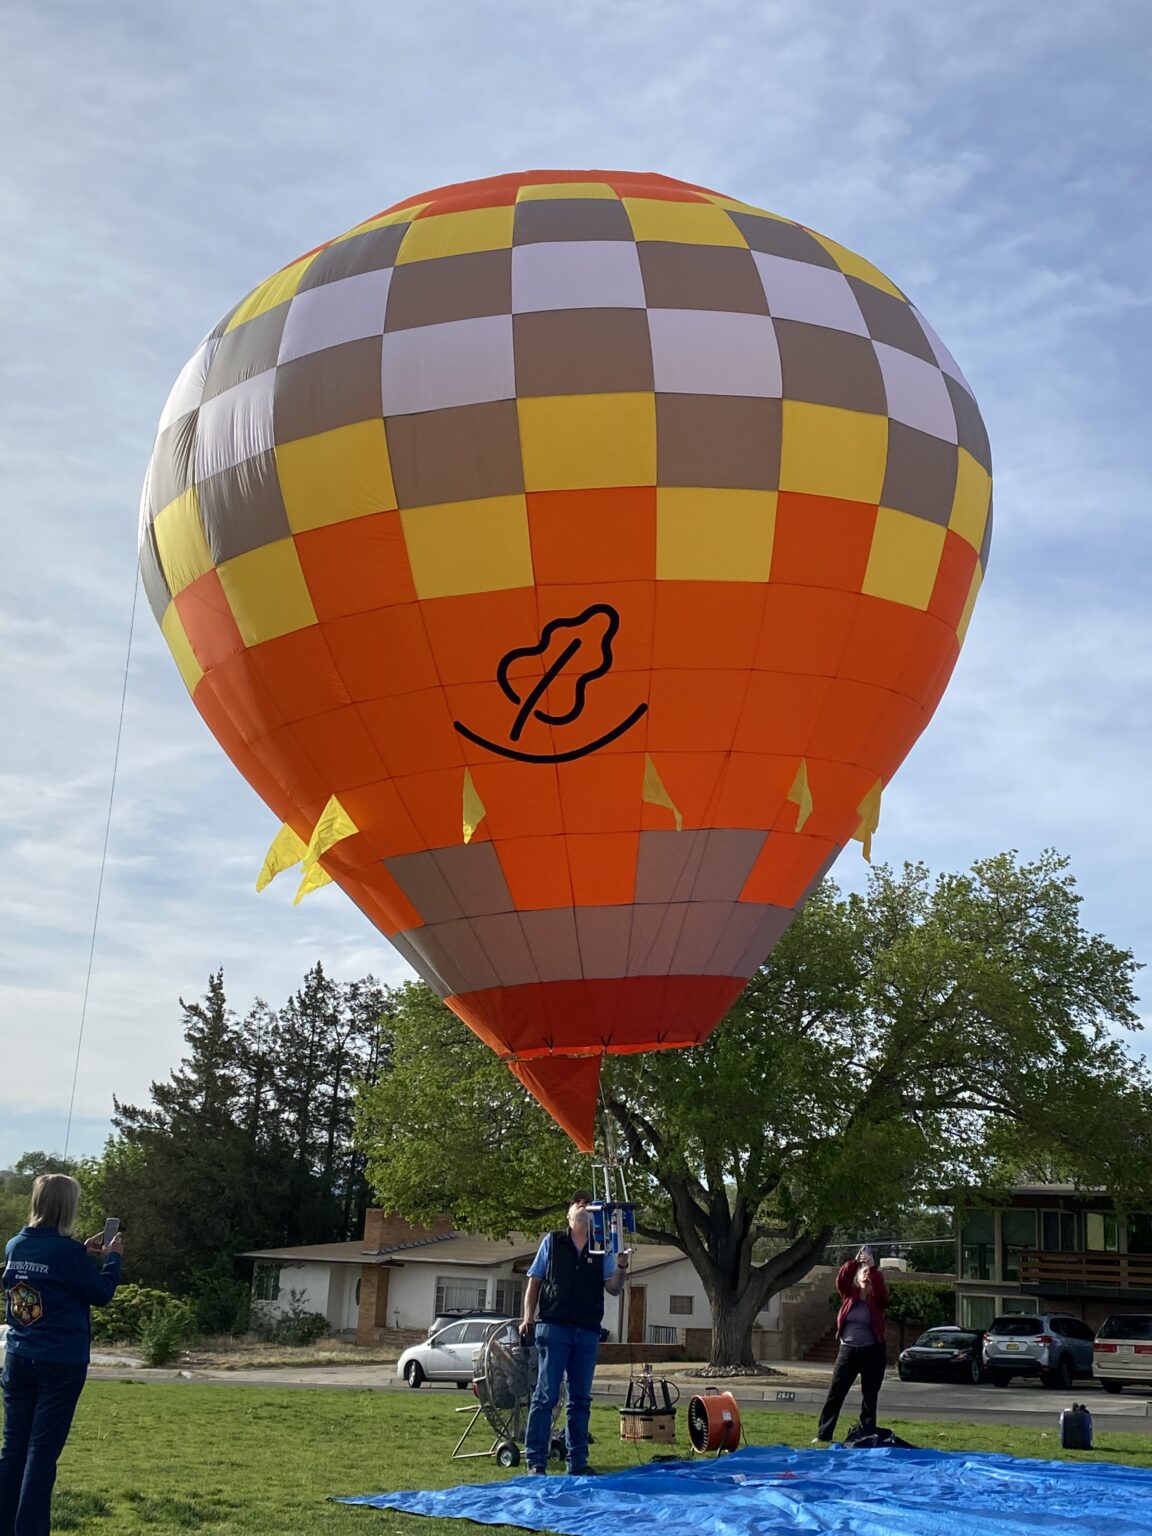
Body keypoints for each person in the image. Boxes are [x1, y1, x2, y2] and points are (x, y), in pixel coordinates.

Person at [1, 1174, 122, 1536]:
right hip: (60, 1362)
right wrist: (113, 1260)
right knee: (41, 1453)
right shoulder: (66, 1253)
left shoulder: (15, 1245)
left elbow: (44, 1277)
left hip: (19, 1356)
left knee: (13, 1450)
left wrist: (80, 1254)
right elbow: (100, 1293)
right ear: (67, 1207)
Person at [519, 1190, 628, 1476]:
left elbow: (613, 1288)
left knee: (580, 1399)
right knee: (546, 1396)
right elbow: (535, 1281)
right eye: (576, 1201)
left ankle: (577, 1462)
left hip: (587, 1331)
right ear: (568, 1214)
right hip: (553, 1327)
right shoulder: (552, 1242)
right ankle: (536, 1461)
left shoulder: (601, 1247)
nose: (582, 1203)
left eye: (586, 1201)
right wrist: (528, 1317)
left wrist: (622, 1266)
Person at [813, 1245, 890, 1445]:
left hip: (872, 1352)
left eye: (869, 1275)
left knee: (869, 1396)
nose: (867, 1277)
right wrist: (856, 1262)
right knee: (835, 1393)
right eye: (863, 1274)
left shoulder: (877, 1301)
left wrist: (873, 1268)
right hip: (848, 1351)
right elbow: (842, 1278)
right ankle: (823, 1433)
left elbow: (882, 1291)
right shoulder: (849, 1296)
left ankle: (868, 1433)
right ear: (857, 1278)